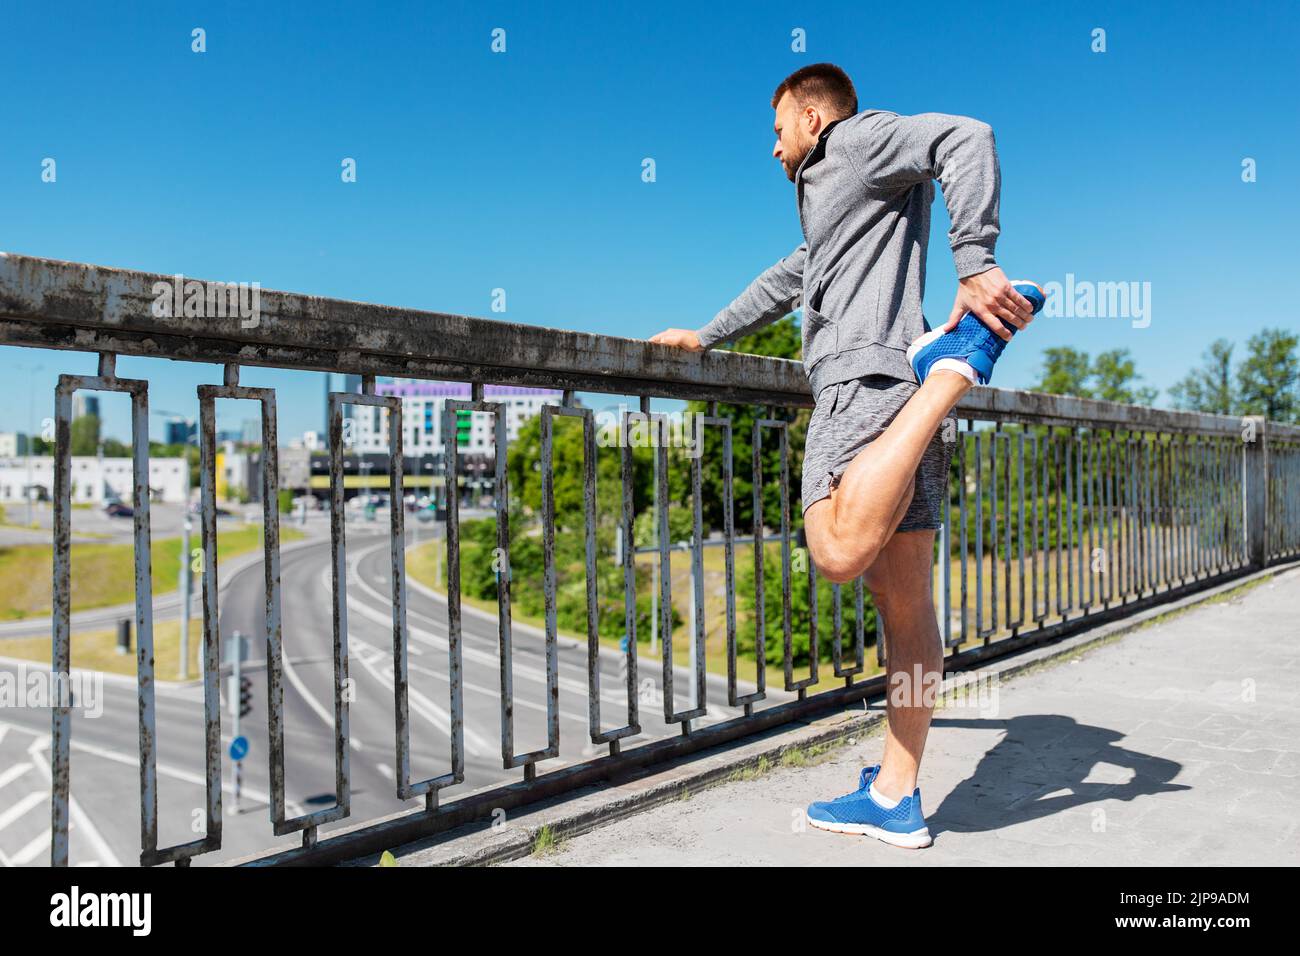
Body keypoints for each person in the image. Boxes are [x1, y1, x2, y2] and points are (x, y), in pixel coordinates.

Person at [649, 63, 1043, 849]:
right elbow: (789, 278)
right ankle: (896, 795)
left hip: (866, 388)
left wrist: (975, 261)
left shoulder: (854, 147)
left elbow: (967, 136)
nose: (773, 150)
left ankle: (955, 370)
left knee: (833, 548)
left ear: (814, 119)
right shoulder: (839, 213)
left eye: (777, 130)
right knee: (907, 610)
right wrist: (708, 331)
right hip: (894, 401)